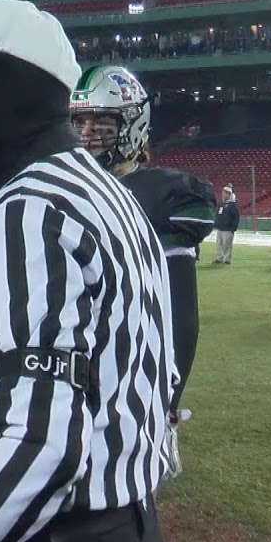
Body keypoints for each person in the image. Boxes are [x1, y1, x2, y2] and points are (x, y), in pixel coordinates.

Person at [0, 0, 174, 542]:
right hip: (124, 523)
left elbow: (38, 440)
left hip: (53, 533)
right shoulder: (104, 191)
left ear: (12, 92)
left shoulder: (30, 209)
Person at [70, 65, 215, 480]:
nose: (87, 132)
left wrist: (168, 397)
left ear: (133, 122)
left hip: (129, 367)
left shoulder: (161, 193)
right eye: (79, 120)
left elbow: (179, 311)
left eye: (101, 121)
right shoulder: (66, 185)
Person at [213, 185, 240, 264]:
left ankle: (227, 259)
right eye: (222, 193)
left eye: (225, 193)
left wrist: (233, 228)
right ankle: (219, 258)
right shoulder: (221, 204)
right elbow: (217, 214)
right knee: (219, 244)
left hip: (228, 229)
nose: (223, 195)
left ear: (229, 194)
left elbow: (236, 217)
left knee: (227, 245)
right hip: (220, 228)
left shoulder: (233, 205)